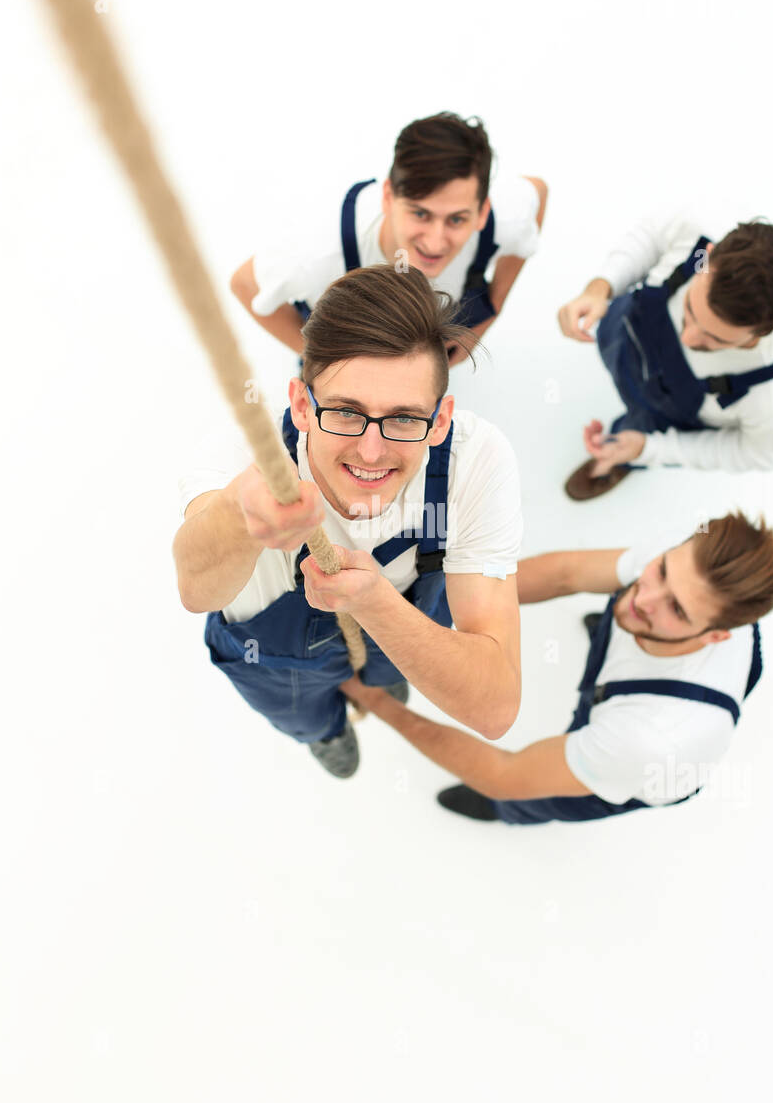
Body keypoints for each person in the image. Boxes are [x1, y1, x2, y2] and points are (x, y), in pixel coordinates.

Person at [174, 264, 523, 778]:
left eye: (405, 417)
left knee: (393, 664)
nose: (372, 450)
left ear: (441, 419)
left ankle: (384, 675)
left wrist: (376, 604)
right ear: (300, 404)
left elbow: (495, 709)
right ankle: (322, 731)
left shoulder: (476, 459)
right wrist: (236, 515)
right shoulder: (240, 452)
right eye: (344, 411)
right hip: (276, 666)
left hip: (398, 625)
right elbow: (195, 591)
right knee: (300, 714)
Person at [340, 513, 773, 823]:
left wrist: (376, 700)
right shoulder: (690, 568)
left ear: (718, 635)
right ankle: (622, 641)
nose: (641, 597)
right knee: (625, 617)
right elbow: (567, 574)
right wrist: (437, 606)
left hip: (633, 763)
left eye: (676, 610)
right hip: (640, 700)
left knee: (529, 794)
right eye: (659, 572)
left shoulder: (645, 741)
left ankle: (506, 814)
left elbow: (504, 770)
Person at [230, 112, 547, 366]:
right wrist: (324, 364)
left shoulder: (505, 217)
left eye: (456, 219)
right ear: (388, 198)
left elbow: (538, 192)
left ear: (482, 211)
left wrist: (491, 310)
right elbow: (245, 283)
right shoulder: (322, 252)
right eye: (420, 214)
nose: (436, 243)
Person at [556, 216, 773, 499]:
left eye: (716, 338)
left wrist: (649, 449)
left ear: (771, 328)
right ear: (709, 254)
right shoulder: (701, 227)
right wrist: (599, 289)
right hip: (623, 333)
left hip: (663, 416)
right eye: (690, 309)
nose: (688, 339)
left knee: (634, 436)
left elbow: (752, 453)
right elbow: (651, 237)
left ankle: (624, 457)